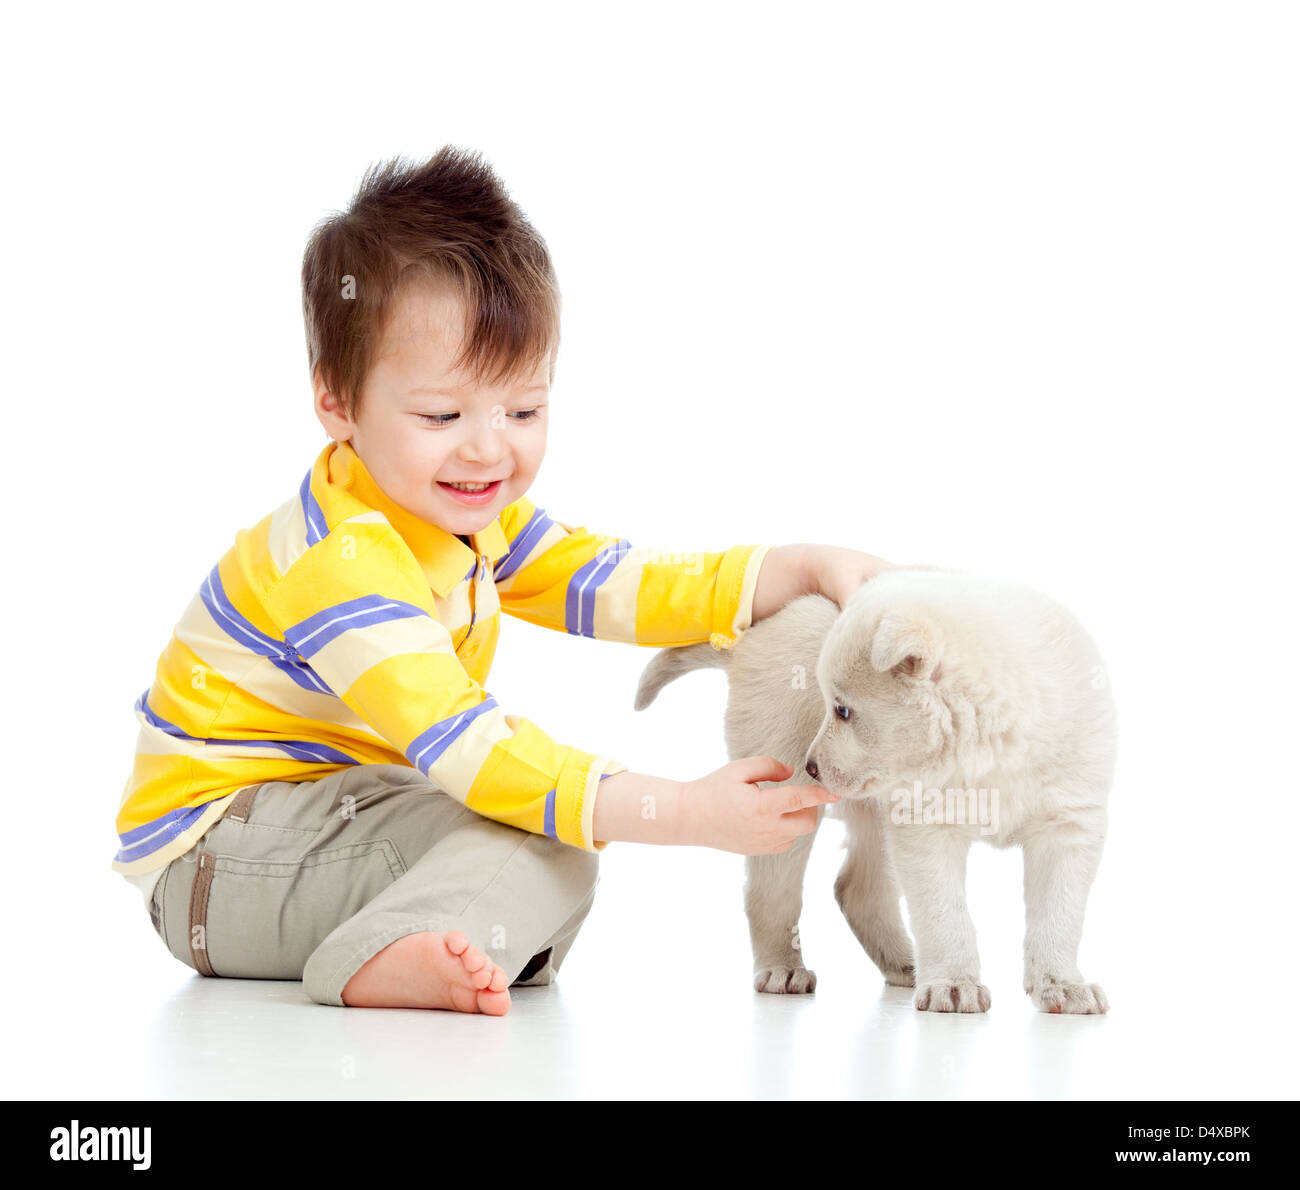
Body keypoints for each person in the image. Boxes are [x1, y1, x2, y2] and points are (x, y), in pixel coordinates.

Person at [112, 146, 891, 1014]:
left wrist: (794, 567)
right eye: (442, 414)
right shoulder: (341, 564)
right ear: (337, 401)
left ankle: (426, 942)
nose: (489, 448)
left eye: (523, 409)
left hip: (331, 828)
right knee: (547, 832)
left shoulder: (463, 516)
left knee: (553, 837)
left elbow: (611, 579)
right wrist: (681, 812)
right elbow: (472, 750)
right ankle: (374, 958)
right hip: (215, 867)